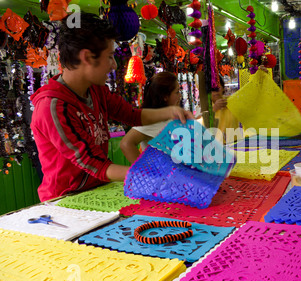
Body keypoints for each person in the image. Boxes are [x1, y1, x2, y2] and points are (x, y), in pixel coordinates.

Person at [30, 13, 193, 202]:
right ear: (87, 57)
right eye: (109, 57)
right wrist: (154, 176)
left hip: (97, 191)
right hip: (64, 202)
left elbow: (133, 116)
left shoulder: (97, 91)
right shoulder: (54, 108)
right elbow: (96, 165)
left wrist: (171, 111)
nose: (114, 65)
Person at [120, 71, 181, 163]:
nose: (180, 96)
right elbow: (126, 144)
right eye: (177, 92)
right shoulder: (152, 119)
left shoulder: (169, 116)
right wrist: (145, 171)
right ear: (165, 96)